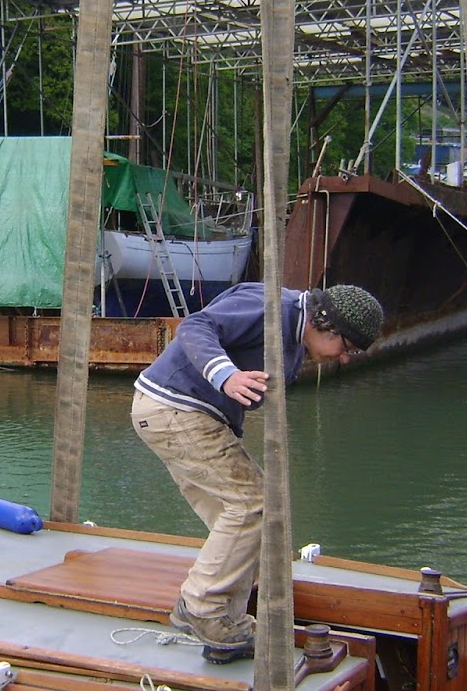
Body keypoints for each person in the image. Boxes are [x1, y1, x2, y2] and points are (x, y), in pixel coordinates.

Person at [131, 282, 383, 663]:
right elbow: (195, 327)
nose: (345, 359)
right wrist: (226, 376)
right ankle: (202, 606)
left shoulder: (294, 343)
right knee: (254, 503)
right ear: (327, 325)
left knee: (238, 518)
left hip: (182, 415)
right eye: (347, 348)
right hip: (176, 409)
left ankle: (224, 622)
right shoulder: (272, 308)